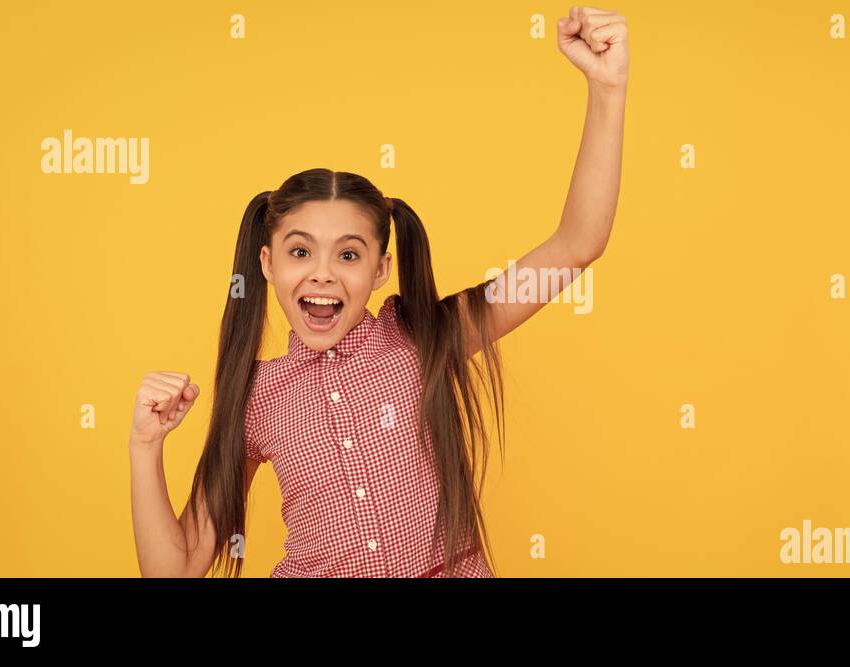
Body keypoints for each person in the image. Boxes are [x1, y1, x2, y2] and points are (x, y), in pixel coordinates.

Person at [128, 6, 628, 577]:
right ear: (266, 264)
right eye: (299, 252)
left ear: (381, 269)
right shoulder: (258, 398)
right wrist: (145, 446)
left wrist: (607, 88)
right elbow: (175, 571)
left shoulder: (429, 336)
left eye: (347, 254)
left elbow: (576, 245)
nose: (322, 274)